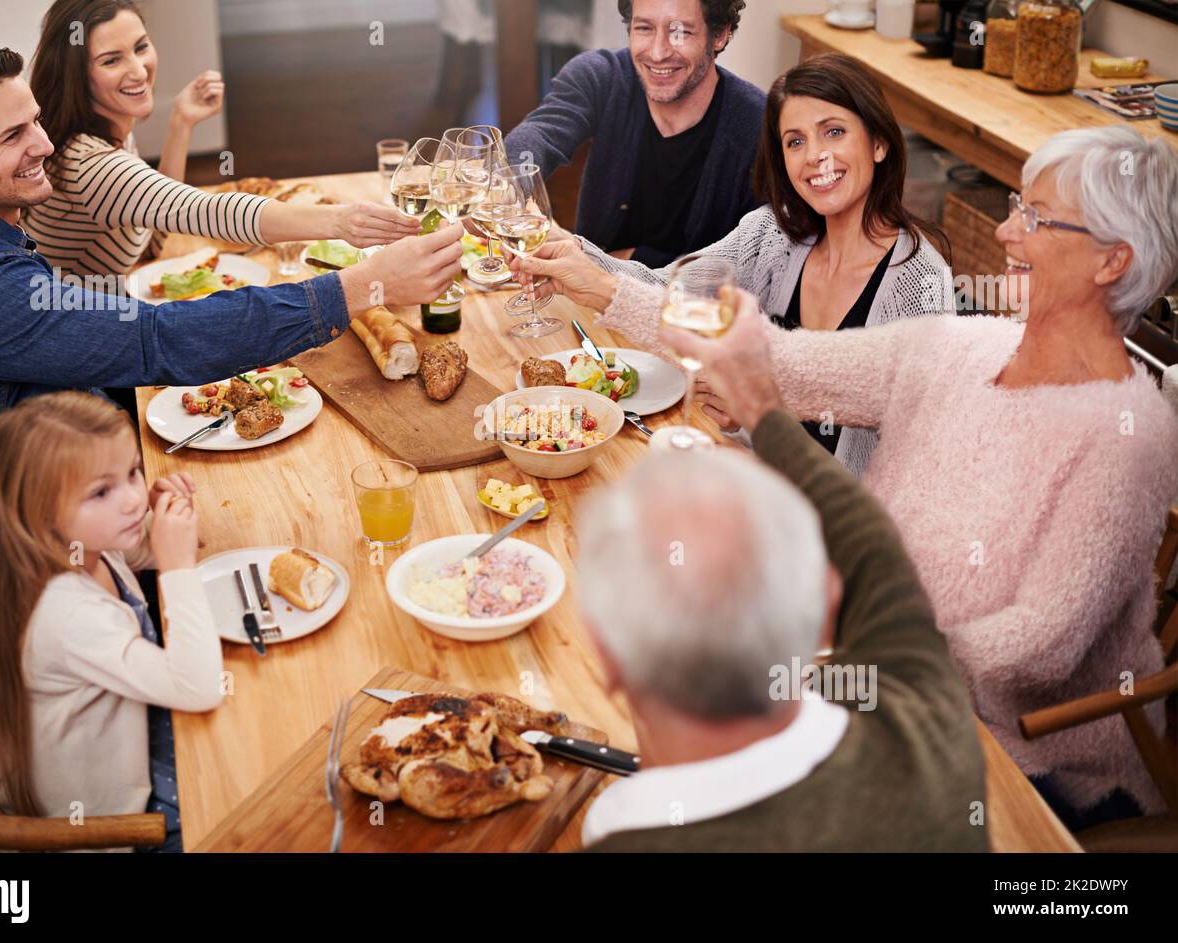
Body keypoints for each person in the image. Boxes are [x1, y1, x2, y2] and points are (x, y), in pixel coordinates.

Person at [660, 125, 1178, 830]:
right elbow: (783, 363)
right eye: (1014, 206)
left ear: (1111, 261)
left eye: (1035, 216)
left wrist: (847, 658)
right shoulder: (962, 346)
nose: (1004, 232)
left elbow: (1036, 643)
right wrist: (602, 287)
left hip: (1028, 752)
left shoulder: (1129, 436)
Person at [0, 43, 462, 660]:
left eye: (37, 121)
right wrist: (356, 288)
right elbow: (157, 339)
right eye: (13, 134)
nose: (44, 145)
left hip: (17, 503)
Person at [576, 372, 987, 851]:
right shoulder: (931, 721)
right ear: (827, 614)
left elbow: (869, 546)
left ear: (606, 658)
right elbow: (872, 548)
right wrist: (763, 409)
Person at [510, 52, 955, 473]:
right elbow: (671, 290)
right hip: (749, 477)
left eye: (834, 131)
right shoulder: (773, 232)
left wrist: (750, 405)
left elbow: (910, 458)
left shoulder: (920, 284)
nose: (815, 155)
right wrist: (576, 252)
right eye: (795, 141)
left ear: (878, 143)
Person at [0, 392, 215, 852]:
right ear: (42, 513)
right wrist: (175, 565)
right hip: (114, 820)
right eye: (101, 491)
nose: (133, 499)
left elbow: (161, 548)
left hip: (141, 741)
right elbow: (200, 686)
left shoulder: (83, 548)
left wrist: (161, 518)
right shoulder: (67, 612)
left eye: (133, 473)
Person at [25, 0, 418, 278]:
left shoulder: (104, 135)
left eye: (141, 47)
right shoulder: (91, 165)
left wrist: (181, 122)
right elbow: (205, 212)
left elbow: (155, 233)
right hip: (82, 364)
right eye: (112, 60)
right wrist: (340, 221)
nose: (139, 70)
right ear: (76, 75)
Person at [502, 0, 765, 267]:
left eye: (681, 32)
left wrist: (628, 261)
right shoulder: (603, 75)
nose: (658, 52)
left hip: (690, 307)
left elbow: (748, 267)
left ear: (719, 35)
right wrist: (510, 183)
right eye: (644, 28)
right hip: (587, 297)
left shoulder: (757, 125)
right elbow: (541, 133)